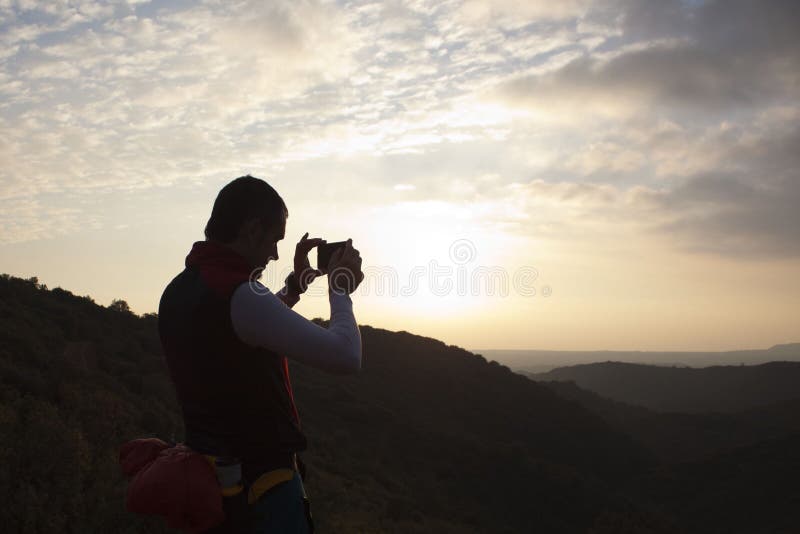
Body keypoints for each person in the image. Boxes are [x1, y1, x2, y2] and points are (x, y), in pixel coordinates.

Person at [156, 175, 364, 533]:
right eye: (274, 240)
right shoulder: (242, 295)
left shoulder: (181, 289)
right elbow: (345, 356)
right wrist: (340, 288)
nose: (275, 254)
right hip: (263, 491)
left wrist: (294, 287)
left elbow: (235, 336)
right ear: (252, 229)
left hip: (216, 485)